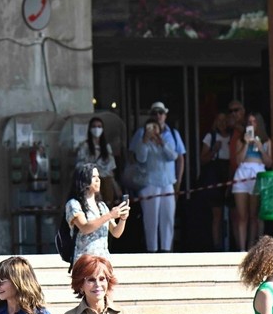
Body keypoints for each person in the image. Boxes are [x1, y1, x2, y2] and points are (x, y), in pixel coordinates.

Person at [129, 101, 185, 252]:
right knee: (151, 219)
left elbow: (175, 156)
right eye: (155, 113)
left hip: (167, 182)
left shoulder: (172, 134)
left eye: (161, 112)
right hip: (149, 183)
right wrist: (146, 140)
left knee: (168, 218)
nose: (158, 116)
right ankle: (151, 251)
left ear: (165, 115)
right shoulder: (141, 134)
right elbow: (138, 157)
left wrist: (161, 142)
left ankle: (166, 250)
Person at [64, 163, 129, 262]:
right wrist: (110, 215)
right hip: (85, 262)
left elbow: (116, 232)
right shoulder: (74, 204)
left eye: (98, 176)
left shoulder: (102, 206)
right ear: (83, 180)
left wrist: (122, 218)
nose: (98, 180)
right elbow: (85, 227)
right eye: (93, 177)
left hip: (103, 262)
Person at [232, 112, 270, 251]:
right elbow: (238, 160)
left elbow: (269, 162)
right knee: (242, 216)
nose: (251, 124)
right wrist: (246, 144)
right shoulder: (241, 141)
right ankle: (241, 248)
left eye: (254, 122)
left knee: (254, 215)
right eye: (249, 122)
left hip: (258, 173)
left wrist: (260, 148)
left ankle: (251, 248)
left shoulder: (266, 141)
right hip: (242, 174)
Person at [199, 111, 231, 250]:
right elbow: (203, 159)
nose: (222, 123)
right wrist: (214, 150)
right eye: (219, 120)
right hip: (215, 177)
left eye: (225, 120)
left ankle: (231, 244)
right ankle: (217, 246)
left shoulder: (233, 136)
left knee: (233, 213)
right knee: (217, 214)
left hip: (230, 175)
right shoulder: (210, 137)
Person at [76, 116, 120, 207]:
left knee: (107, 207)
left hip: (105, 181)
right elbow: (79, 165)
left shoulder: (106, 146)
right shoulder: (85, 146)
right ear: (90, 129)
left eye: (99, 126)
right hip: (90, 182)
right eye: (94, 126)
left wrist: (115, 186)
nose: (97, 129)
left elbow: (111, 167)